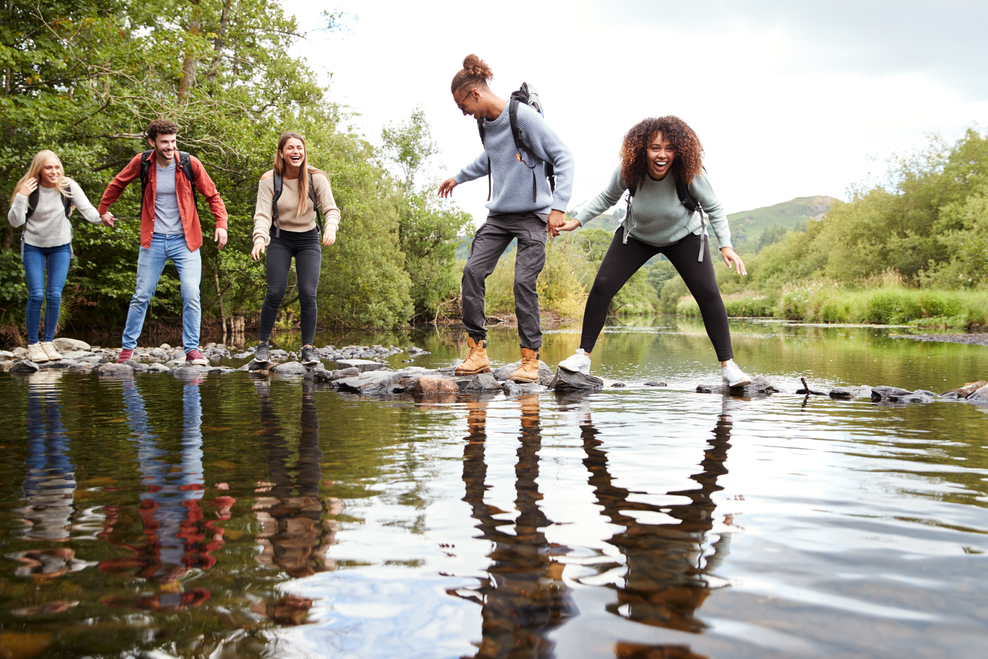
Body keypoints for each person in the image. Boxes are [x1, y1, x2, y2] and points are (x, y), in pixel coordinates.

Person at [557, 116, 751, 387]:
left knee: (708, 294)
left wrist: (725, 245)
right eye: (655, 148)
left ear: (679, 151)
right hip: (637, 236)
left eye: (669, 148)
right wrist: (577, 221)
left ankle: (729, 367)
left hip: (685, 236)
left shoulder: (690, 172)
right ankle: (583, 357)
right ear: (642, 150)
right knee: (602, 286)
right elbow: (606, 197)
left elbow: (714, 207)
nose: (662, 155)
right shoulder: (629, 169)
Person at [438, 54, 574, 383]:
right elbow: (491, 158)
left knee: (523, 282)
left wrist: (558, 207)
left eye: (462, 105)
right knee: (472, 272)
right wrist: (458, 177)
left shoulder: (523, 117)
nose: (463, 112)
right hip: (499, 216)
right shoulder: (484, 125)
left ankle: (529, 360)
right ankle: (477, 351)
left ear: (475, 94)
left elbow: (563, 156)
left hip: (533, 215)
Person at [98, 119, 228, 365]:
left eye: (173, 141)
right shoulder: (142, 162)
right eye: (164, 142)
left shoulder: (189, 164)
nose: (170, 147)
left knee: (191, 293)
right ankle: (127, 350)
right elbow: (118, 183)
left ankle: (192, 349)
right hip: (153, 240)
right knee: (142, 294)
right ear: (152, 142)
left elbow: (213, 195)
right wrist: (104, 209)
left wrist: (221, 225)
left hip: (186, 241)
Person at [250, 132, 340, 366]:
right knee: (275, 292)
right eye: (290, 148)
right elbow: (262, 215)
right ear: (281, 153)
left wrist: (330, 228)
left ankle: (307, 349)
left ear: (304, 152)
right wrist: (259, 239)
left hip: (308, 239)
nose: (295, 152)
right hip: (279, 238)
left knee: (308, 293)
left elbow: (331, 209)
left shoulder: (316, 179)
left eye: (299, 148)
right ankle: (262, 345)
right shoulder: (269, 180)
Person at [7, 150, 102, 363]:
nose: (54, 171)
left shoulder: (68, 186)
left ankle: (48, 342)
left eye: (57, 167)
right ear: (39, 169)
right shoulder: (29, 189)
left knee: (54, 295)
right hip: (33, 247)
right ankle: (33, 345)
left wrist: (104, 217)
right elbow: (15, 222)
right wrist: (21, 196)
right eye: (48, 167)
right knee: (37, 295)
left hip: (60, 247)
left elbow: (90, 212)